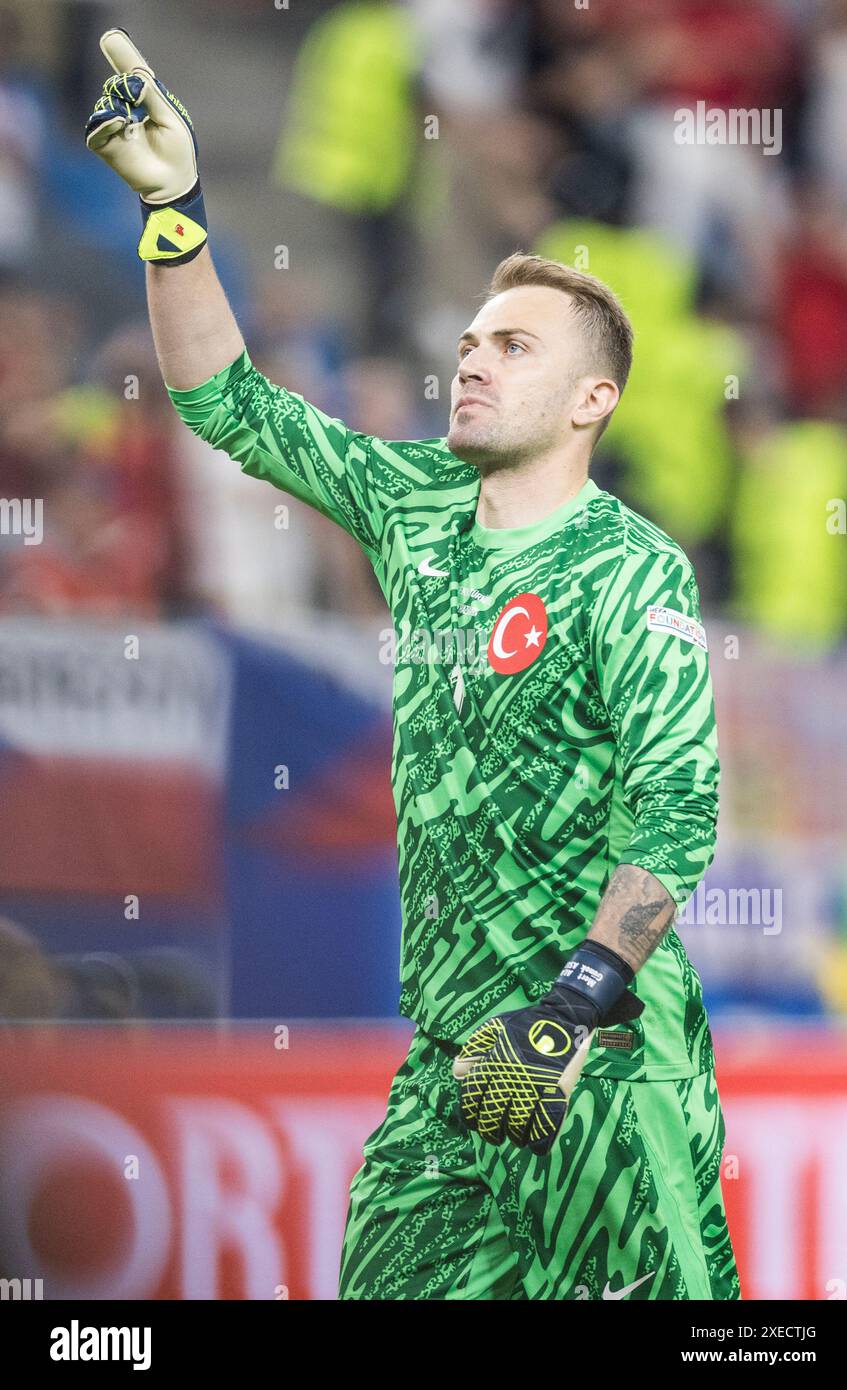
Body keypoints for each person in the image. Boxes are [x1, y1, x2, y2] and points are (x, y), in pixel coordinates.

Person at [85, 29, 740, 1301]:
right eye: (471, 338)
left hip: (595, 1062)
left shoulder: (627, 569)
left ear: (592, 400)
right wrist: (174, 212)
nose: (471, 357)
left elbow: (678, 811)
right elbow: (227, 399)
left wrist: (572, 1005)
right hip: (451, 1071)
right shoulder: (415, 502)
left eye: (512, 346)